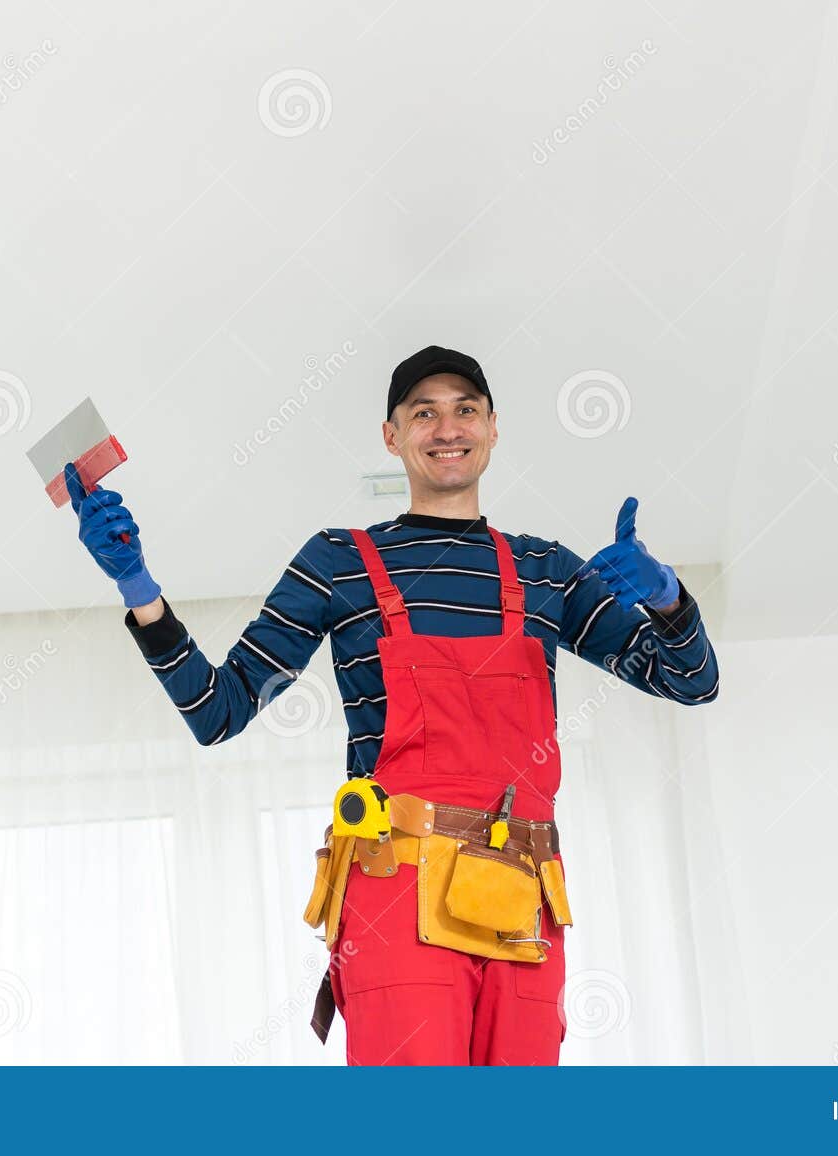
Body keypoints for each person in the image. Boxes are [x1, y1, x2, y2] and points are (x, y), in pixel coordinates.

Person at [65, 345, 721, 1064]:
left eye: (465, 410)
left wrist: (666, 599)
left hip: (522, 899)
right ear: (392, 435)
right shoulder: (337, 563)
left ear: (494, 428)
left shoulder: (548, 574)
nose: (448, 428)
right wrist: (137, 585)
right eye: (424, 413)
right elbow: (217, 711)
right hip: (396, 889)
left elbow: (691, 681)